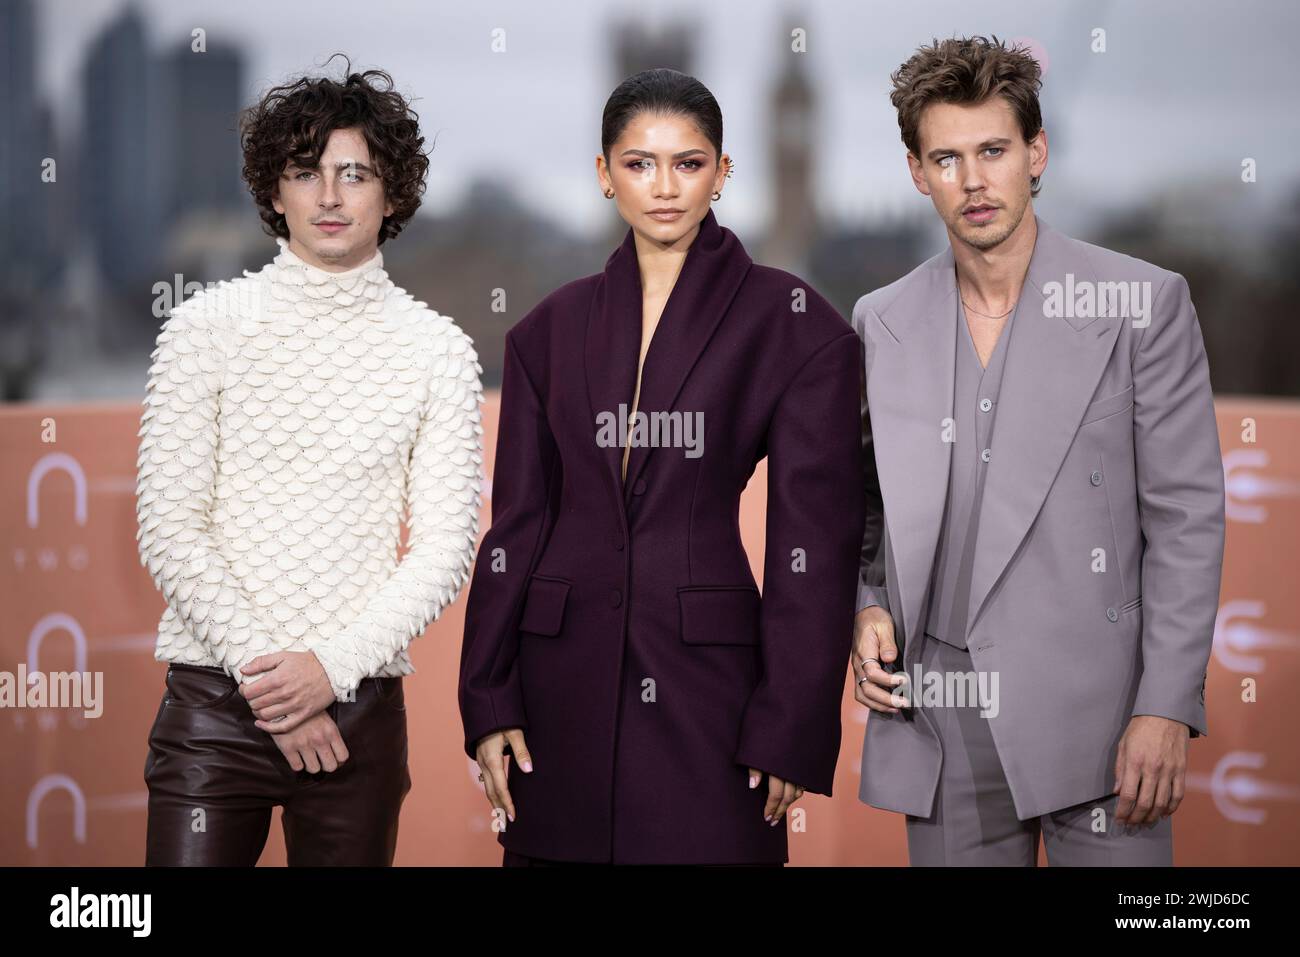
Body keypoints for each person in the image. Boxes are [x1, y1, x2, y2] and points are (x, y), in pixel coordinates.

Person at [458, 68, 866, 865]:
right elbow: (516, 528)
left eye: (689, 162)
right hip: (557, 694)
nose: (665, 186)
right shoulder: (546, 331)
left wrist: (790, 722)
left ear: (723, 171)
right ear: (605, 174)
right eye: (640, 163)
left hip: (707, 697)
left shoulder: (793, 326)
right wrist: (487, 695)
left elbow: (812, 546)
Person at [850, 36, 1225, 865]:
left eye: (994, 150)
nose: (973, 180)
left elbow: (1187, 520)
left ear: (1036, 153)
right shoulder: (881, 321)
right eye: (946, 157)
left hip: (1103, 722)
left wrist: (1166, 707)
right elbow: (866, 503)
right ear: (917, 171)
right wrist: (868, 601)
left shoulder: (1142, 306)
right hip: (939, 721)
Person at [136, 59, 482, 865]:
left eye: (353, 173)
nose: (329, 196)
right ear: (275, 191)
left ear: (390, 193)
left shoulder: (438, 351)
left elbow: (441, 550)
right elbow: (169, 527)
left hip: (357, 712)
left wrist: (328, 670)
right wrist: (281, 693)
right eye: (305, 172)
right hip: (213, 713)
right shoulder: (203, 328)